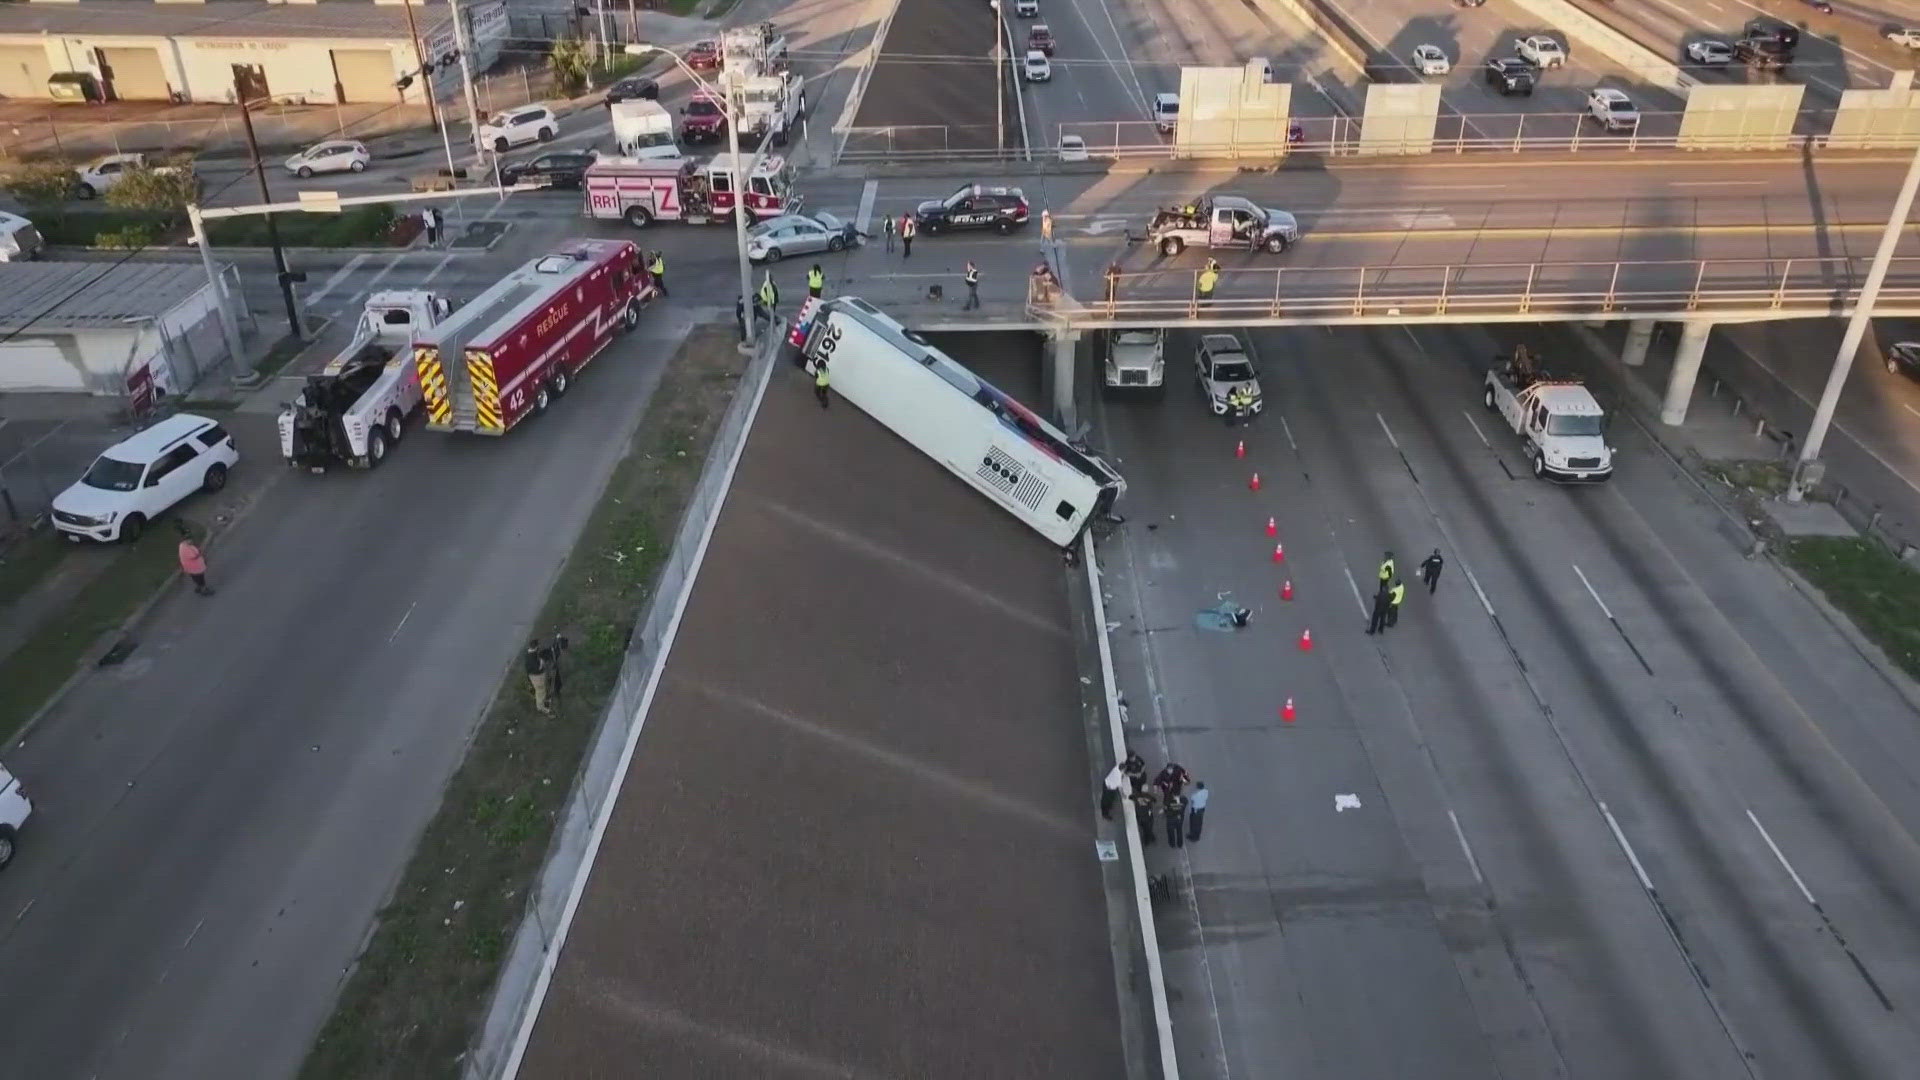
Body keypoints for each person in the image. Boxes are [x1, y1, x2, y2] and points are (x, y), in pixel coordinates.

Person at [175, 522, 212, 596]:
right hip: (194, 567)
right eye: (189, 540)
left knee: (195, 578)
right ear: (185, 540)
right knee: (200, 578)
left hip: (190, 568)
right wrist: (200, 553)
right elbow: (194, 556)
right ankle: (204, 590)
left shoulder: (183, 545)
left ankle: (199, 587)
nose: (191, 541)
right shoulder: (185, 548)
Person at [524, 638, 554, 714]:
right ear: (536, 647)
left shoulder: (529, 653)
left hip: (534, 676)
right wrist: (542, 662)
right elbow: (537, 668)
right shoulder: (532, 657)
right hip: (537, 677)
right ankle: (541, 707)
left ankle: (543, 701)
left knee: (542, 690)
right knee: (540, 691)